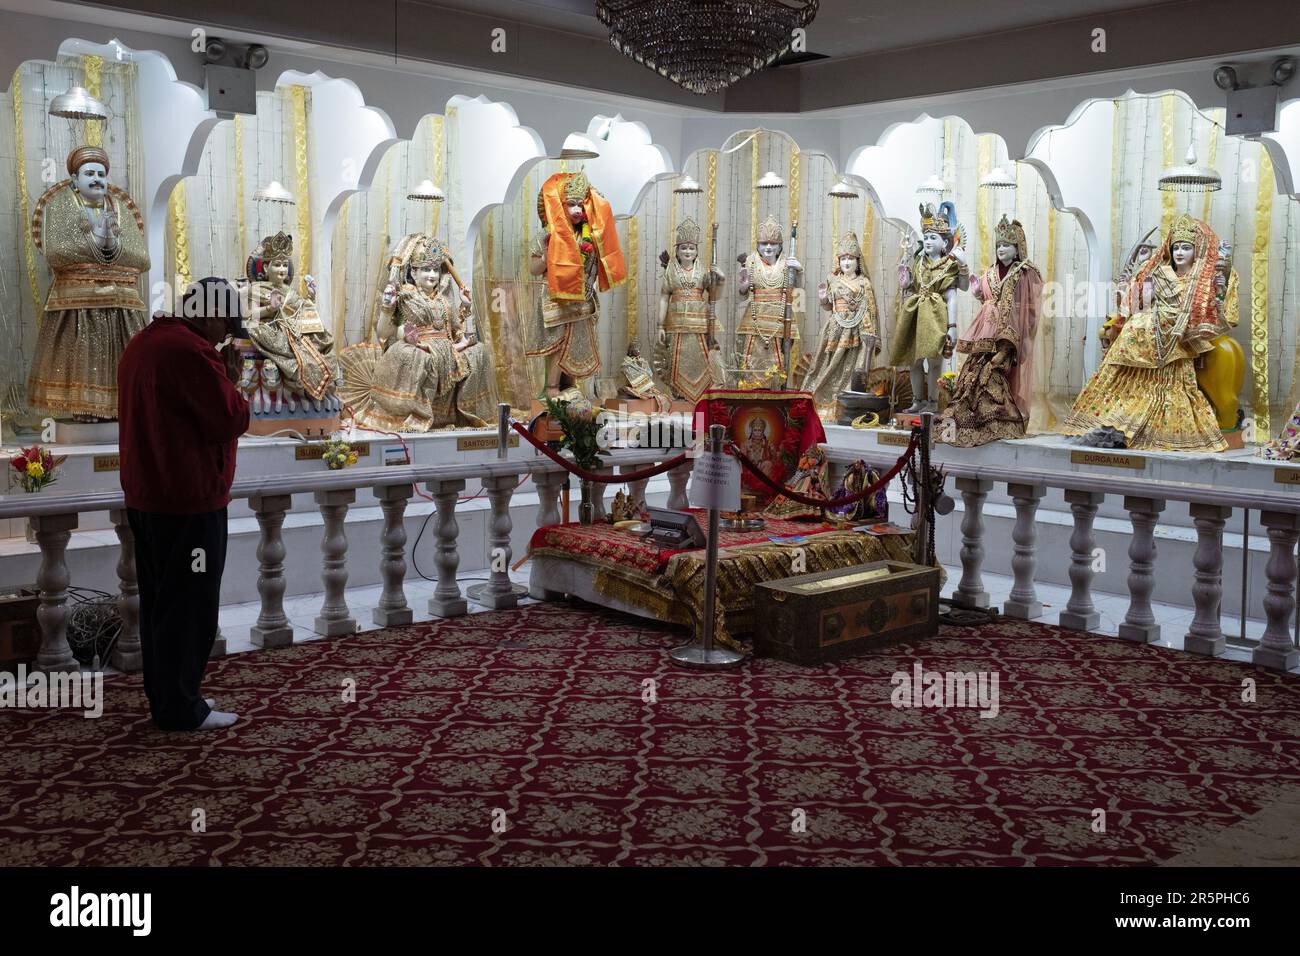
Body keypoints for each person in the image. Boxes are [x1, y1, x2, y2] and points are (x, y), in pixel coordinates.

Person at [118, 277, 250, 731]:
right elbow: (229, 418)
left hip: (148, 496)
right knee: (190, 607)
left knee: (161, 602)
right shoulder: (191, 353)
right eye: (225, 327)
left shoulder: (144, 342)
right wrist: (231, 379)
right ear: (209, 314)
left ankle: (170, 696)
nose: (226, 337)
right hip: (189, 501)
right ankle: (182, 709)